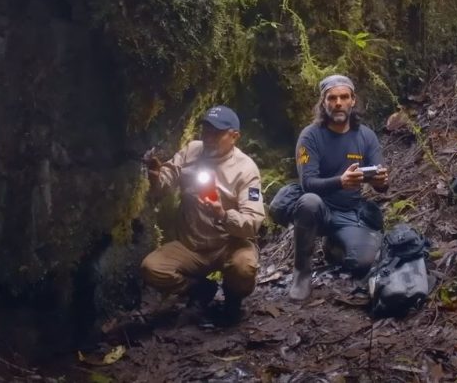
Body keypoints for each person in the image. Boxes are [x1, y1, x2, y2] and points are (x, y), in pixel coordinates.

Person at [140, 105, 265, 325]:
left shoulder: (246, 169)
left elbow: (253, 223)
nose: (208, 137)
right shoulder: (191, 151)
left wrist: (223, 214)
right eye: (205, 130)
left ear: (234, 136)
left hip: (228, 244)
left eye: (216, 133)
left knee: (244, 268)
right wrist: (156, 176)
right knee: (152, 268)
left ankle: (233, 301)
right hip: (192, 245)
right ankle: (200, 291)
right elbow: (165, 182)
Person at [289, 74, 390, 301]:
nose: (338, 103)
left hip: (349, 212)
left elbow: (381, 183)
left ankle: (335, 246)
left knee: (364, 262)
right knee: (308, 202)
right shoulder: (310, 136)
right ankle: (301, 273)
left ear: (353, 100)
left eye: (344, 97)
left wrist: (380, 181)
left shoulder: (365, 136)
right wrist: (340, 181)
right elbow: (308, 183)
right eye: (332, 98)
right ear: (323, 103)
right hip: (319, 210)